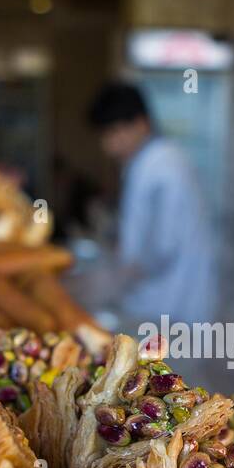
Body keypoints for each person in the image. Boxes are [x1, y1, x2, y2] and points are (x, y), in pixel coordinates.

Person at [86, 82, 219, 328]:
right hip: (160, 305)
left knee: (170, 365)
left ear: (140, 123)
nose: (109, 146)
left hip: (171, 305)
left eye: (114, 133)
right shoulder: (149, 161)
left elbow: (162, 246)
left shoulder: (163, 165)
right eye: (104, 136)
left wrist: (114, 280)